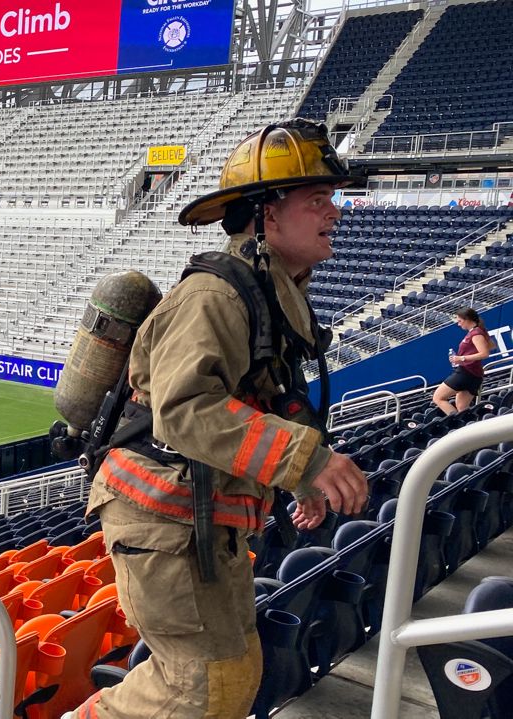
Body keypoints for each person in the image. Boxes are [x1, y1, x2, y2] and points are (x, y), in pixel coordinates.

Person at [67, 119, 370, 719]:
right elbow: (184, 410)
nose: (333, 213)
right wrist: (306, 460)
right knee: (202, 685)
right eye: (317, 200)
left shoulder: (269, 294)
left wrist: (301, 478)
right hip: (163, 519)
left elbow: (266, 402)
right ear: (267, 215)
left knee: (232, 675)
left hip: (203, 523)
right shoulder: (217, 297)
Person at [432, 307, 492, 415]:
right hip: (473, 374)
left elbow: (484, 353)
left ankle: (456, 422)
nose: (458, 324)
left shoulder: (476, 333)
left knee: (438, 397)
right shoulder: (475, 332)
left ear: (467, 319)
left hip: (467, 373)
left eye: (460, 321)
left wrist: (462, 358)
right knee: (462, 407)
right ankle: (466, 422)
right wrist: (459, 359)